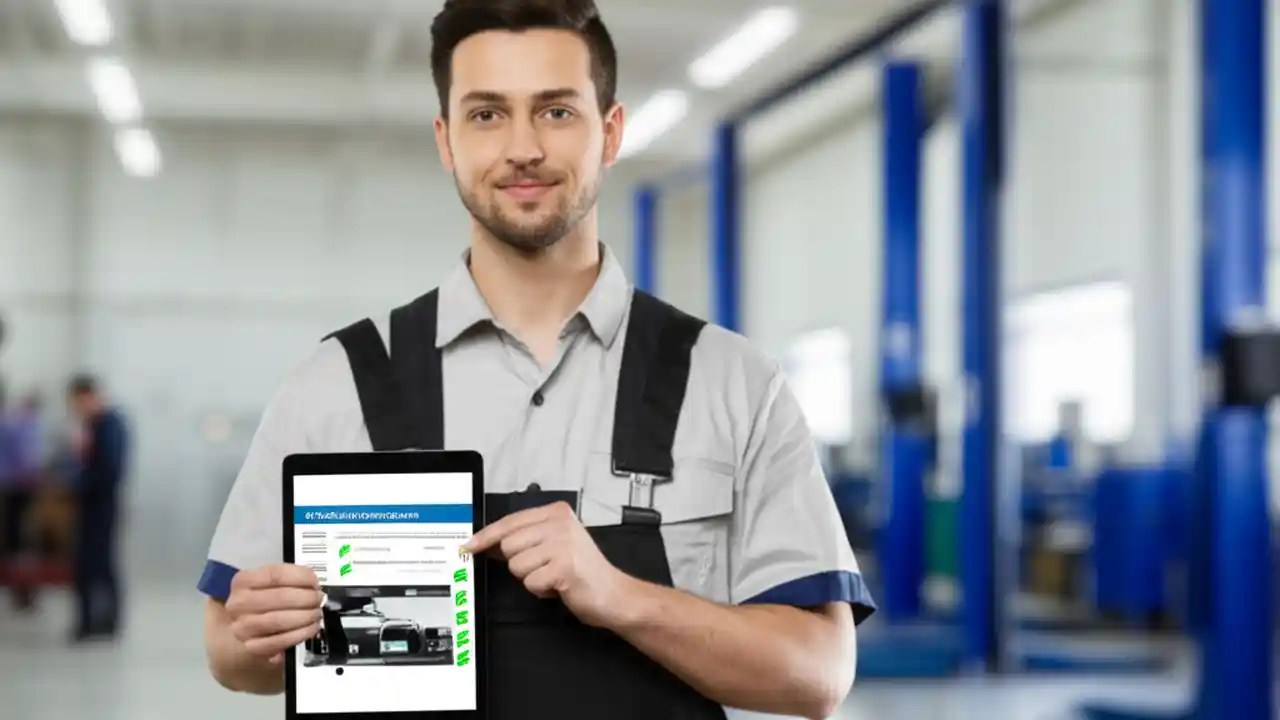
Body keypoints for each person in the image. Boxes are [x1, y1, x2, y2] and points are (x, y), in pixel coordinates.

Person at [199, 1, 875, 717]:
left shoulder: (732, 383)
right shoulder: (338, 383)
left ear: (609, 132)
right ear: (447, 140)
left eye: (555, 112)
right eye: (487, 115)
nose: (522, 147)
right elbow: (230, 650)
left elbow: (819, 672)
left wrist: (621, 597)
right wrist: (259, 636)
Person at [68, 374, 128, 642]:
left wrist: (79, 480)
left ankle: (103, 623)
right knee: (90, 565)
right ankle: (92, 622)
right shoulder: (94, 425)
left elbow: (109, 471)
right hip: (91, 505)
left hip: (102, 506)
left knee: (99, 564)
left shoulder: (110, 425)